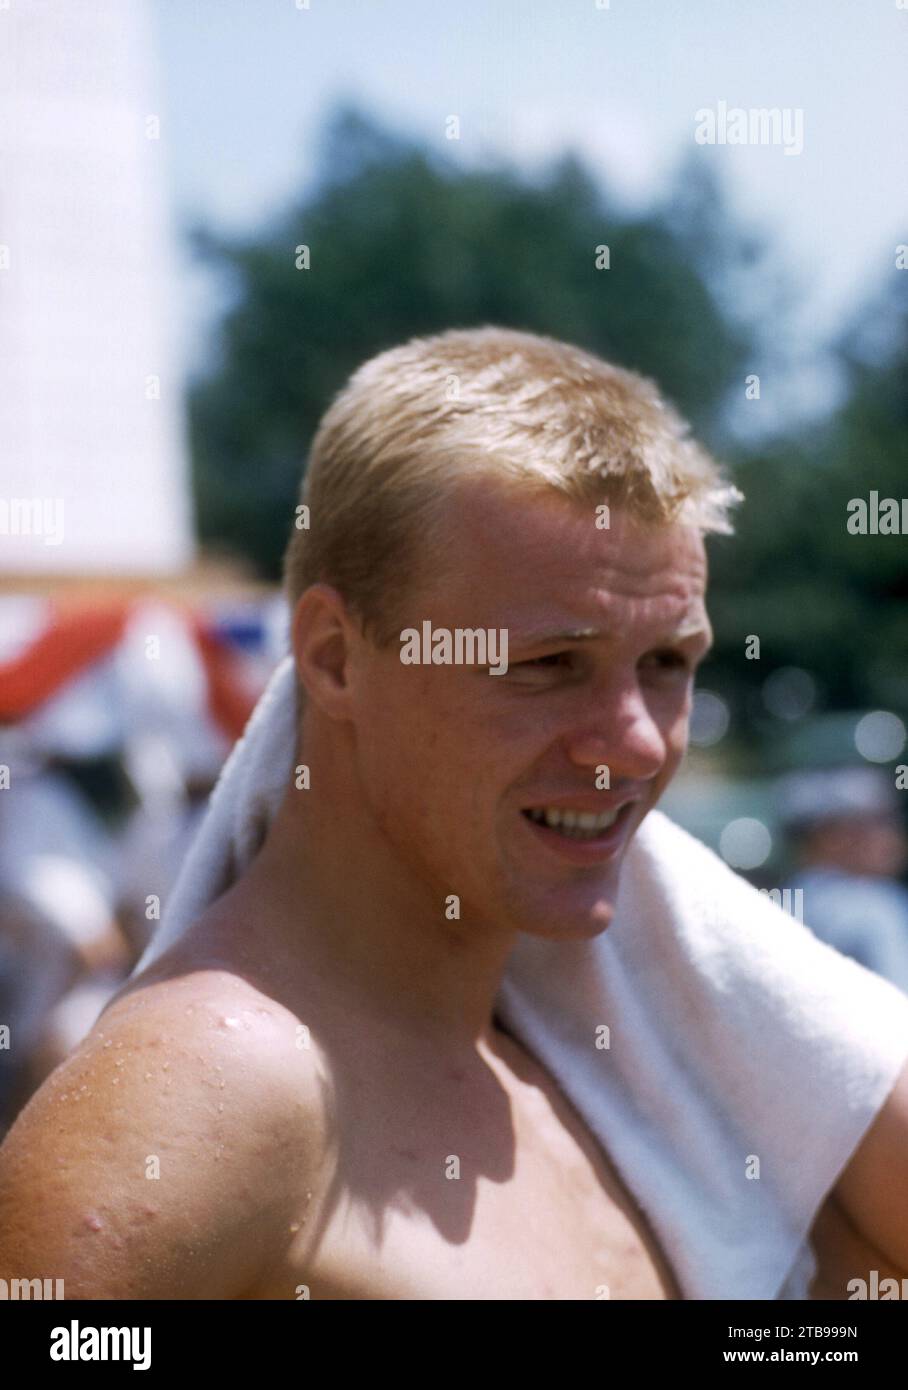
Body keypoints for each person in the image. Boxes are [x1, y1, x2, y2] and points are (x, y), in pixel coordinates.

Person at [1, 326, 907, 1300]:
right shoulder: (212, 1086)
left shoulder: (605, 1076)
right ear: (337, 660)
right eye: (545, 665)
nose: (637, 742)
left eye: (666, 664)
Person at [780, 765, 908, 994]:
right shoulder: (874, 903)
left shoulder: (782, 901)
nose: (892, 836)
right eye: (878, 821)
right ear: (830, 837)